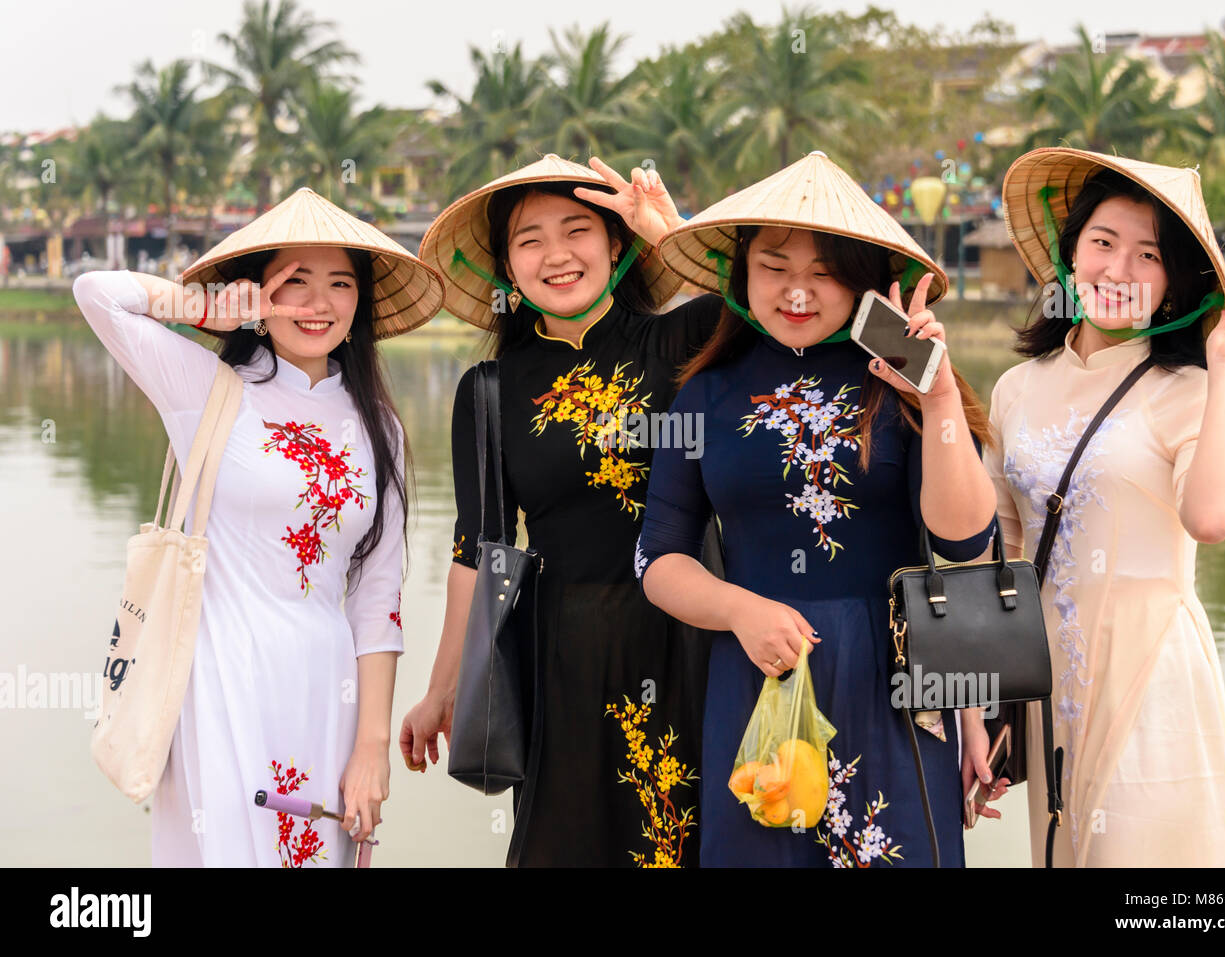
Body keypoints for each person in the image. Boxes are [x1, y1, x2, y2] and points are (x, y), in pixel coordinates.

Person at [634, 151, 1001, 867]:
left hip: (898, 689)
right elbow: (657, 556)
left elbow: (964, 541)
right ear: (743, 274)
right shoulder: (703, 393)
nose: (797, 291)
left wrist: (939, 394)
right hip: (756, 682)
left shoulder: (904, 387)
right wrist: (739, 609)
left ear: (864, 283)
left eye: (825, 272)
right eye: (775, 267)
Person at [73, 187, 445, 867]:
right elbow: (95, 291)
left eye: (339, 283)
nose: (318, 302)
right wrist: (208, 309)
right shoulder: (204, 387)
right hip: (216, 681)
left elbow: (377, 597)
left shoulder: (378, 427)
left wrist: (371, 746)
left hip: (324, 689)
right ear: (258, 291)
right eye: (292, 281)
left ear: (360, 301)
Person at [402, 154, 723, 867]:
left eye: (577, 229)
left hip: (689, 643)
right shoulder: (489, 391)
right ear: (506, 270)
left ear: (616, 245)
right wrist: (440, 688)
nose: (556, 254)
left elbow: (765, 303)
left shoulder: (677, 346)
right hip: (560, 660)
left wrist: (669, 233)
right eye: (529, 239)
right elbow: (476, 550)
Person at [992, 148, 1225, 866]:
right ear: (1071, 250)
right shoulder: (1016, 388)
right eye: (1103, 243)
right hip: (1046, 685)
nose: (1118, 270)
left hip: (1150, 680)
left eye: (1149, 255)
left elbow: (1213, 519)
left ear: (1174, 285)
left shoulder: (1185, 390)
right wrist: (984, 701)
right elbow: (1001, 558)